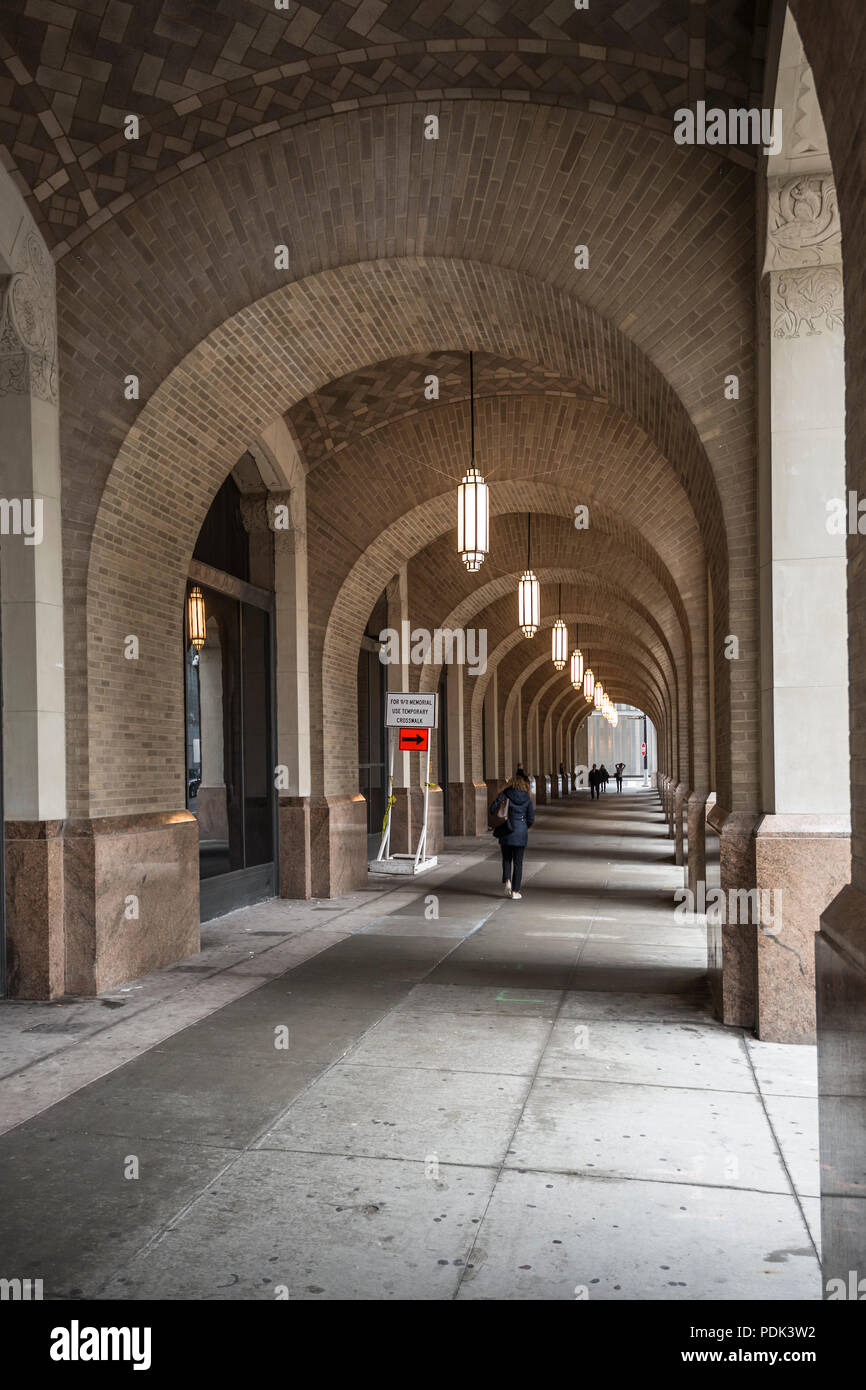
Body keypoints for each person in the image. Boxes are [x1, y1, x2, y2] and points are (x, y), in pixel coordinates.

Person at [489, 772, 535, 900]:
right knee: (518, 863)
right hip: (520, 832)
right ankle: (515, 891)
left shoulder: (505, 793)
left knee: (506, 858)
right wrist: (524, 827)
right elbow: (531, 818)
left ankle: (507, 881)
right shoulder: (527, 797)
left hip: (506, 829)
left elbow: (492, 808)